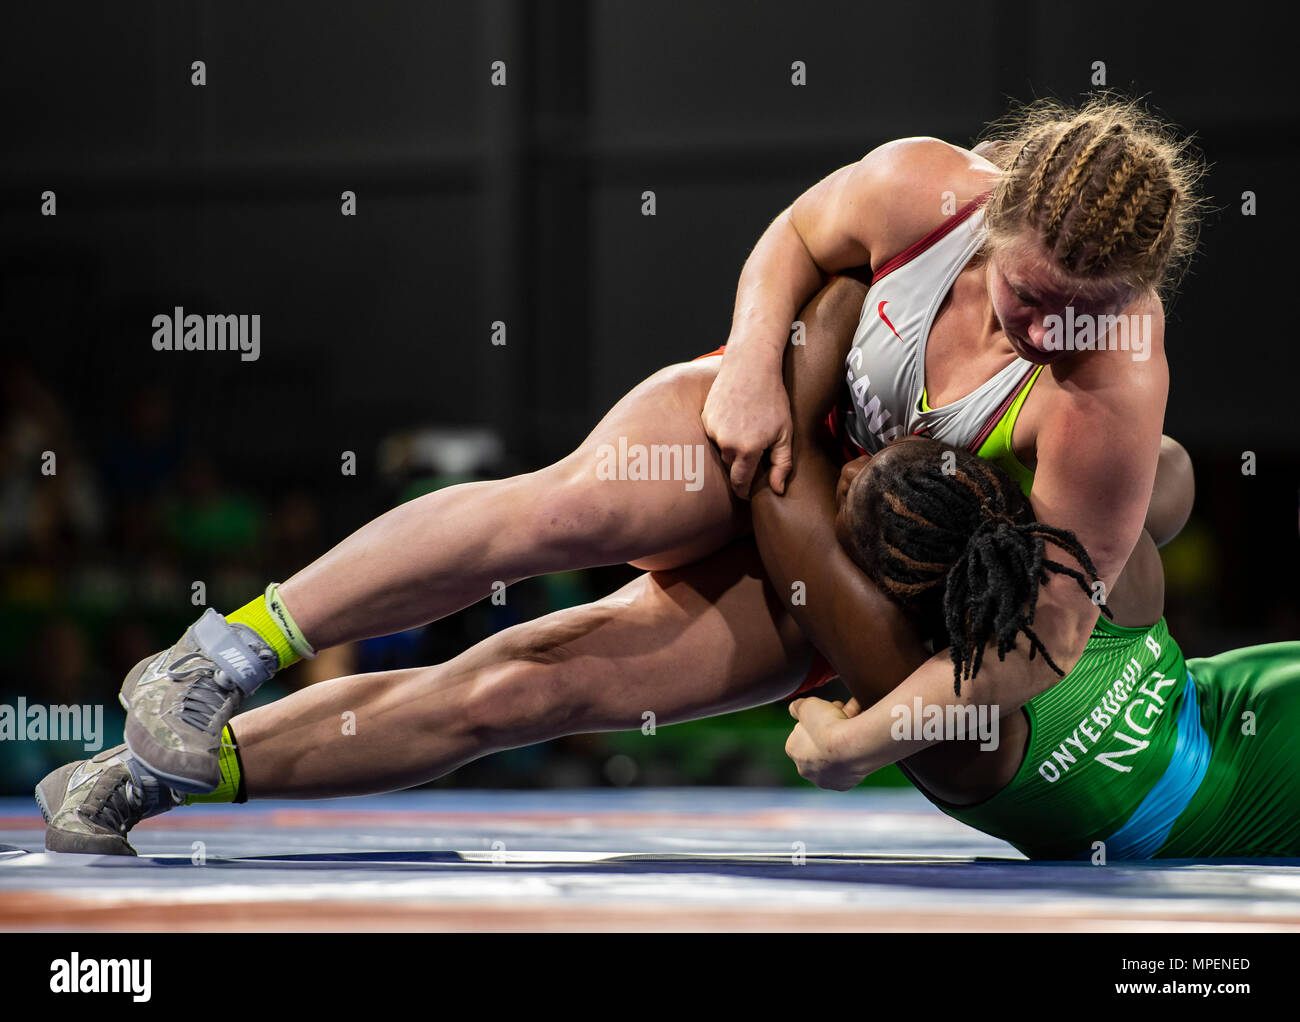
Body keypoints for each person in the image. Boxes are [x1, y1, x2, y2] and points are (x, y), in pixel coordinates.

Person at [37, 96, 1203, 853]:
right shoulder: (927, 188)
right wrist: (752, 361)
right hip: (786, 420)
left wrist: (868, 738)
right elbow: (795, 238)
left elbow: (1034, 646)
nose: (1049, 328)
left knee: (527, 689)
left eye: (1086, 312)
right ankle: (218, 654)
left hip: (858, 563)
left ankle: (151, 775)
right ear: (999, 220)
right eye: (1031, 293)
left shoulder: (1112, 394)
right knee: (569, 506)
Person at [778, 435, 1299, 859]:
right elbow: (1172, 465)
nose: (848, 468)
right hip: (1263, 710)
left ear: (895, 593)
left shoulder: (975, 745)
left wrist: (840, 742)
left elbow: (777, 476)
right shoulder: (1096, 565)